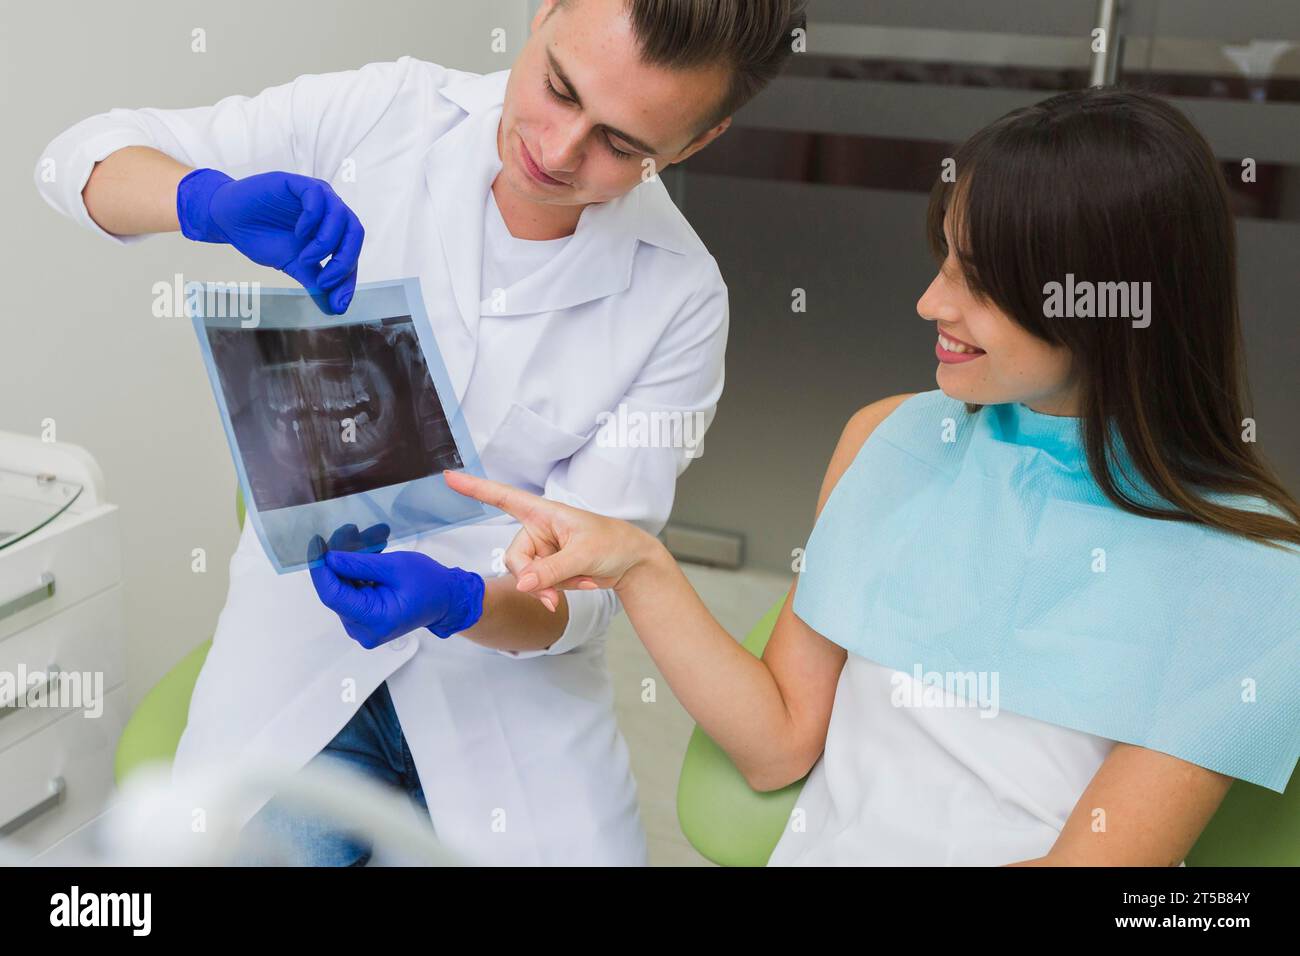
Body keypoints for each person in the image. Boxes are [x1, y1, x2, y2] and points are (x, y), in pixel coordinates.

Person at [34, 0, 808, 865]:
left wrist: (464, 602)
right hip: (297, 665)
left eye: (622, 145)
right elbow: (75, 158)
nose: (556, 151)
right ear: (544, 11)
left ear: (696, 144)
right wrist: (203, 200)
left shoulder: (680, 298)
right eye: (557, 87)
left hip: (506, 701)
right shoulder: (386, 116)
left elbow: (588, 591)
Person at [442, 88, 1300, 866]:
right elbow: (778, 742)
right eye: (946, 260)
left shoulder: (1245, 567)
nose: (932, 302)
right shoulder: (891, 439)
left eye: (982, 283)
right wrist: (638, 563)